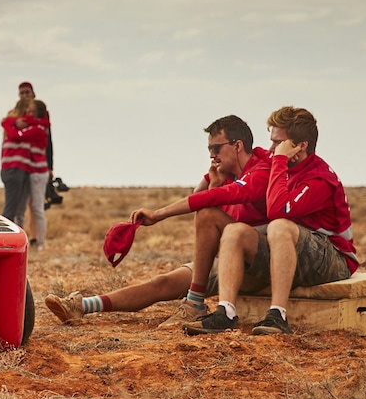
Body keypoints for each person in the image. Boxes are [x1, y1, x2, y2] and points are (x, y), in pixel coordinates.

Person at [44, 114, 271, 326]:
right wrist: (213, 180)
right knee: (162, 283)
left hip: (258, 260)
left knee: (207, 214)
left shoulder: (260, 172)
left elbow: (206, 203)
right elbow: (200, 194)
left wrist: (158, 214)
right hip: (231, 260)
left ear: (237, 145)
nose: (211, 155)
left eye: (215, 148)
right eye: (208, 149)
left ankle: (195, 303)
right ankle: (82, 306)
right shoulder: (228, 174)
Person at [184, 106, 357, 336]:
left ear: (300, 145)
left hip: (334, 260)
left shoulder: (319, 178)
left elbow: (277, 210)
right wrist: (214, 176)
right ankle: (225, 312)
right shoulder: (280, 162)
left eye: (278, 143)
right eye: (271, 142)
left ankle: (278, 315)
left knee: (280, 225)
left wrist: (279, 161)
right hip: (293, 253)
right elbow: (209, 190)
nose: (271, 149)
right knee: (235, 231)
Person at [0, 96, 51, 248]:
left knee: (35, 207)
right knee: (20, 207)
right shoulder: (30, 126)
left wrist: (8, 124)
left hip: (36, 171)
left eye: (31, 112)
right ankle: (19, 240)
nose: (28, 115)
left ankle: (39, 243)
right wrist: (11, 122)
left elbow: (18, 134)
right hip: (28, 170)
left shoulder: (37, 129)